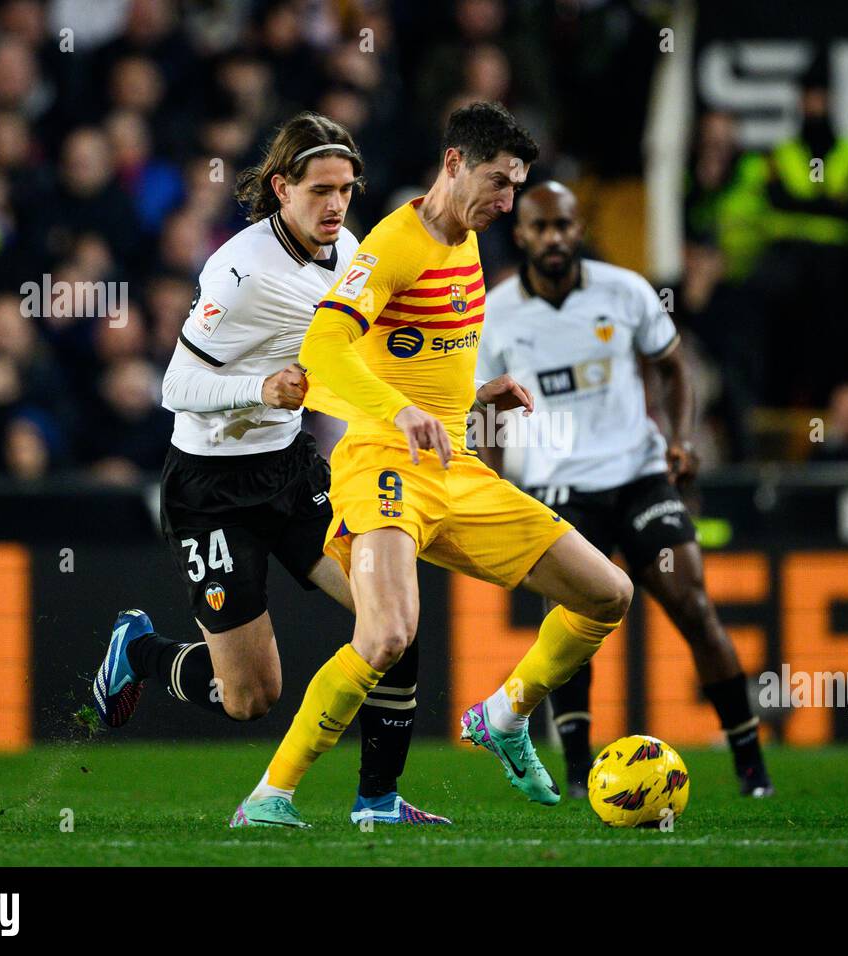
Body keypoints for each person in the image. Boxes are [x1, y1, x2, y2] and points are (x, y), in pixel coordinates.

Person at [235, 102, 633, 827]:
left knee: (608, 593)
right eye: (497, 181)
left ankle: (506, 716)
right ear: (453, 164)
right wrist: (400, 413)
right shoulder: (395, 243)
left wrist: (477, 398)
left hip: (454, 465)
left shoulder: (468, 238)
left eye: (515, 186)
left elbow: (416, 358)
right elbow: (324, 347)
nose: (507, 201)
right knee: (387, 634)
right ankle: (271, 795)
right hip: (383, 461)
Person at [88, 113, 449, 827]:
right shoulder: (239, 271)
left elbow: (370, 351)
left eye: (347, 188)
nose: (337, 205)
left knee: (393, 619)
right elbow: (174, 390)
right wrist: (260, 388)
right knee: (250, 697)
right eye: (320, 189)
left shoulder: (346, 250)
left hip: (292, 469)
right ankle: (144, 651)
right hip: (211, 489)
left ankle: (376, 801)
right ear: (282, 187)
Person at [476, 181, 774, 797]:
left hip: (638, 476)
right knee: (574, 621)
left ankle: (750, 764)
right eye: (541, 228)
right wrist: (492, 484)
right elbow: (486, 406)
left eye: (564, 225)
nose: (554, 238)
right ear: (522, 235)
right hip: (558, 487)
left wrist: (682, 440)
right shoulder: (496, 312)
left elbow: (673, 367)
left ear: (578, 228)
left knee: (693, 605)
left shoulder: (626, 290)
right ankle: (580, 773)